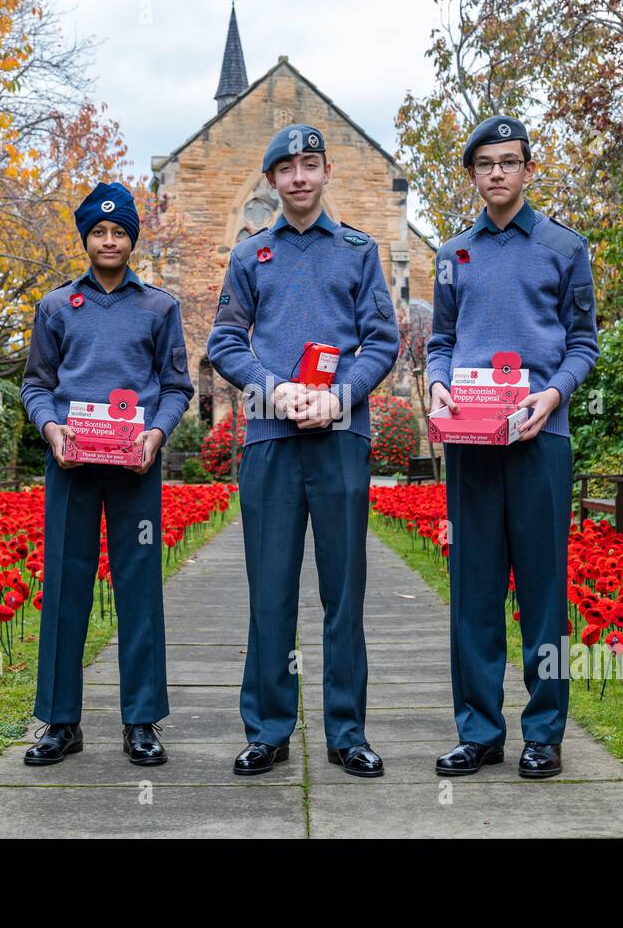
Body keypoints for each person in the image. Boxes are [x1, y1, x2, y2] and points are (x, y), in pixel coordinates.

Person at [207, 123, 401, 777]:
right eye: (285, 167)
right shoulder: (250, 257)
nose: (298, 176)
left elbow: (382, 340)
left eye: (309, 164)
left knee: (344, 591)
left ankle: (348, 732)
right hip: (269, 439)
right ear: (271, 180)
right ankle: (268, 727)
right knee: (270, 590)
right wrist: (273, 389)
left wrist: (340, 395)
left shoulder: (359, 250)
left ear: (324, 173)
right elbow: (226, 340)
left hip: (341, 439)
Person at [427, 116, 600, 778]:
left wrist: (552, 397)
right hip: (469, 440)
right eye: (485, 164)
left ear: (528, 169)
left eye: (509, 161)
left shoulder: (564, 248)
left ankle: (545, 732)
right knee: (472, 588)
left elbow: (584, 342)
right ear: (472, 175)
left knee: (542, 592)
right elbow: (440, 341)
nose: (497, 172)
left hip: (539, 440)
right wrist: (439, 388)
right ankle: (478, 731)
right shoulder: (452, 255)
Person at [19, 181, 194, 767]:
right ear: (86, 239)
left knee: (139, 588)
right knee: (66, 589)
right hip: (69, 463)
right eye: (100, 231)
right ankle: (60, 722)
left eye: (119, 232)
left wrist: (157, 433)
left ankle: (141, 721)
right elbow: (37, 386)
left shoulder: (160, 308)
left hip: (134, 464)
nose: (110, 240)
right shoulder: (54, 307)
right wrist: (51, 429)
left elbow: (176, 387)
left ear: (132, 240)